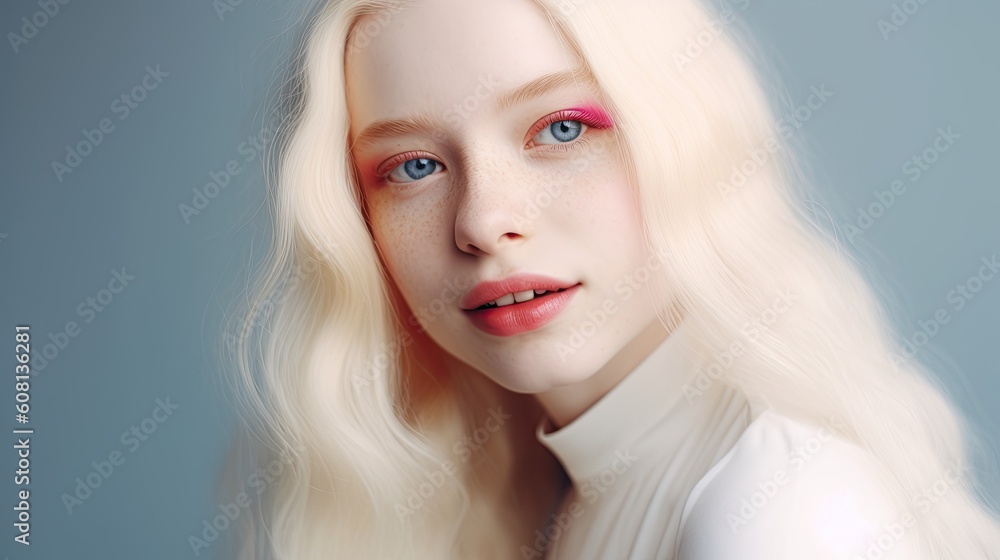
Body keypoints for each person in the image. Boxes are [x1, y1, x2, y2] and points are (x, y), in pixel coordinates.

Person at [222, 0, 1000, 558]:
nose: (484, 221)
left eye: (562, 128)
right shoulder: (556, 500)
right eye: (413, 166)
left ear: (685, 143)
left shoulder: (776, 507)